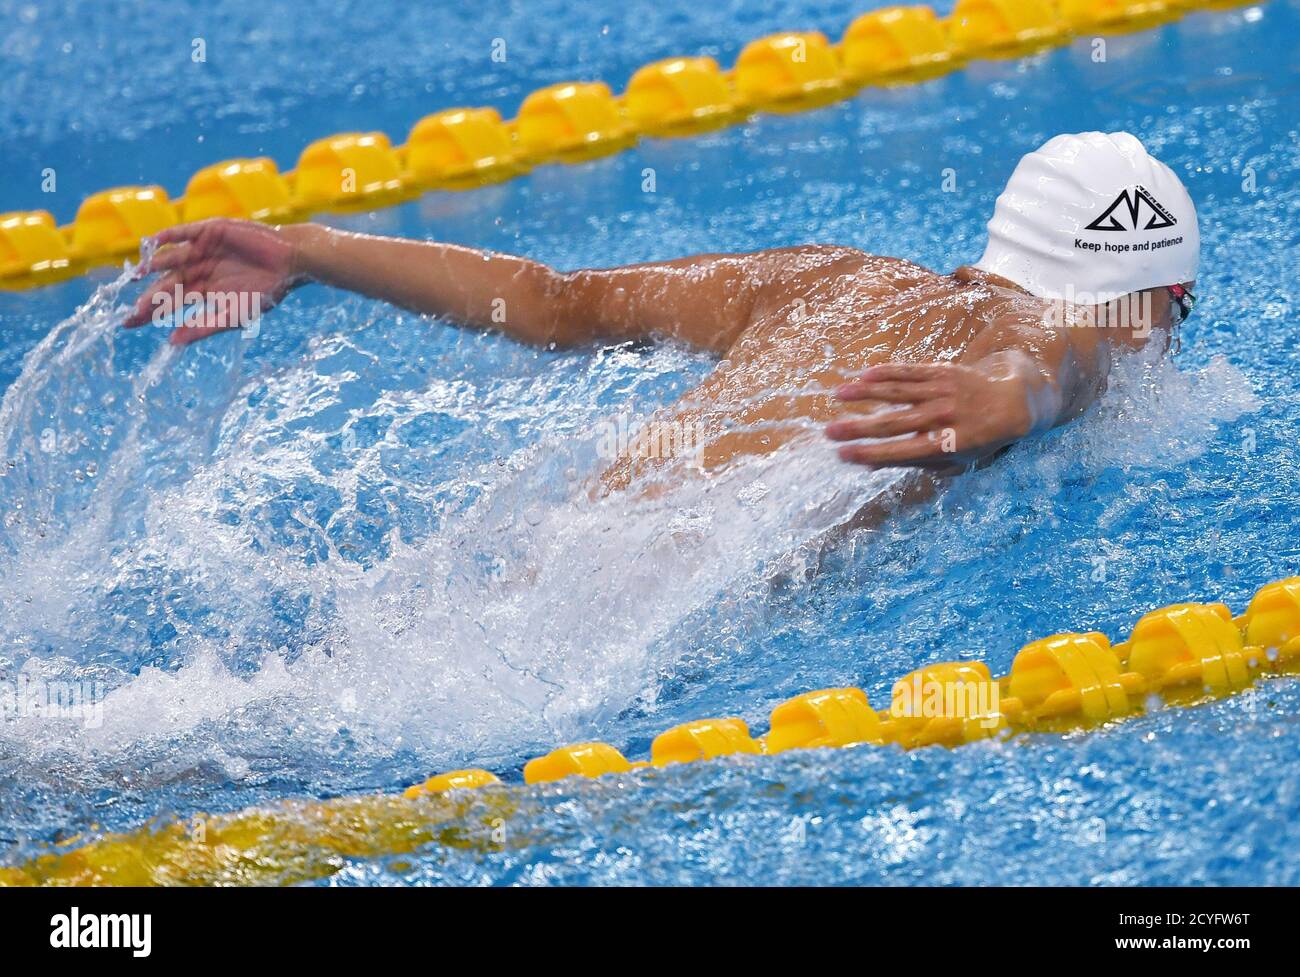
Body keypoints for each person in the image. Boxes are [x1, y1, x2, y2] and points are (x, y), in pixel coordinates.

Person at [124, 131, 1199, 495]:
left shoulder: (822, 273)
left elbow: (555, 301)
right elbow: (1054, 353)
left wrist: (309, 248)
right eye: (1176, 310)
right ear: (1142, 297)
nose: (1171, 338)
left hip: (538, 553)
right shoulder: (1066, 337)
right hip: (615, 632)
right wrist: (1013, 397)